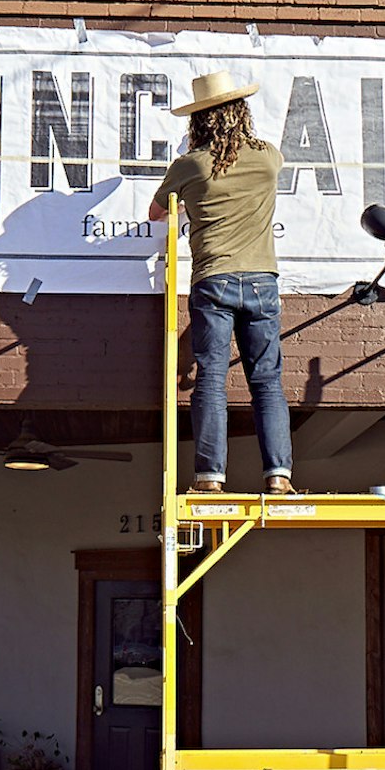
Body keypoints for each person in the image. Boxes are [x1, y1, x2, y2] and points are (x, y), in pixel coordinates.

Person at [148, 71, 294, 495]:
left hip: (213, 278)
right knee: (266, 380)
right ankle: (279, 475)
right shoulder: (269, 157)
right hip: (263, 280)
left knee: (212, 378)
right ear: (241, 113)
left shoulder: (189, 166)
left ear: (199, 122)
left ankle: (210, 478)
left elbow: (156, 214)